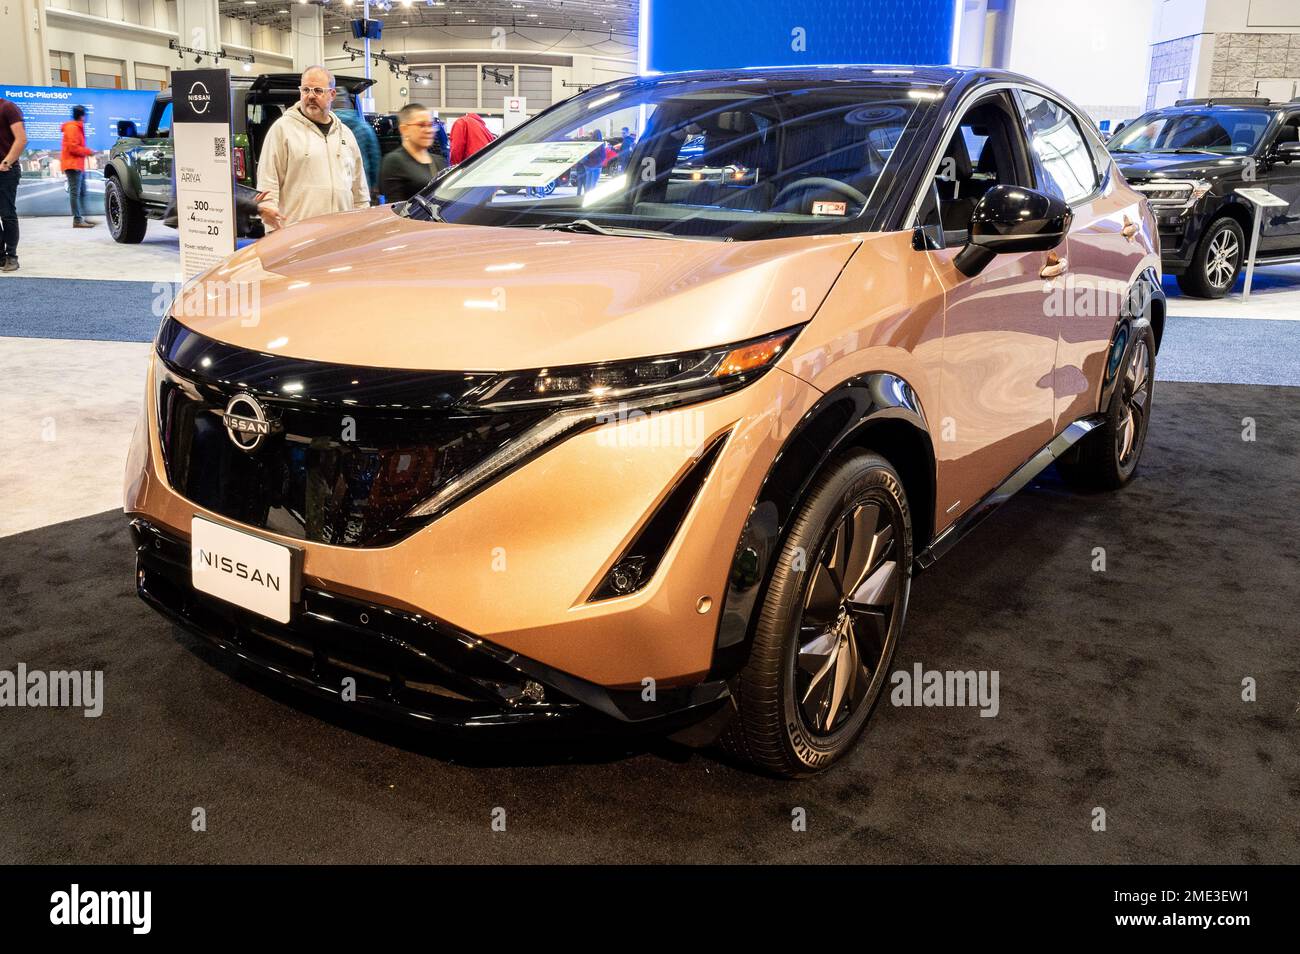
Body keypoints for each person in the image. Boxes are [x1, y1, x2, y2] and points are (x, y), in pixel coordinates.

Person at [256, 66, 368, 232]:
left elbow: (359, 190)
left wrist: (363, 226)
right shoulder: (282, 129)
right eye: (305, 90)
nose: (310, 96)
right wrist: (270, 223)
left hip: (340, 235)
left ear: (332, 94)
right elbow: (268, 181)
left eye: (317, 90)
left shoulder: (346, 134)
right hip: (297, 236)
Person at [379, 103, 447, 203]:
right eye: (421, 125)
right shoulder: (394, 161)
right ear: (404, 129)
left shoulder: (439, 161)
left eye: (430, 125)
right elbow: (396, 209)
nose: (429, 130)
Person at [333, 92, 381, 202]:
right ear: (349, 105)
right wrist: (372, 185)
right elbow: (375, 160)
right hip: (361, 188)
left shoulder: (326, 128)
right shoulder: (364, 127)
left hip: (336, 193)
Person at [0, 95, 26, 272]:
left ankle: (12, 256)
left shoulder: (8, 108)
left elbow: (21, 139)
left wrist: (6, 162)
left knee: (7, 213)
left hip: (6, 170)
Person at [61, 105, 97, 229]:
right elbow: (73, 147)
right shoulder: (72, 128)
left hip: (77, 165)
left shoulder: (77, 127)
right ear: (82, 116)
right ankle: (77, 220)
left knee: (82, 193)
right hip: (72, 165)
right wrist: (89, 151)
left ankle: (84, 218)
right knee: (75, 193)